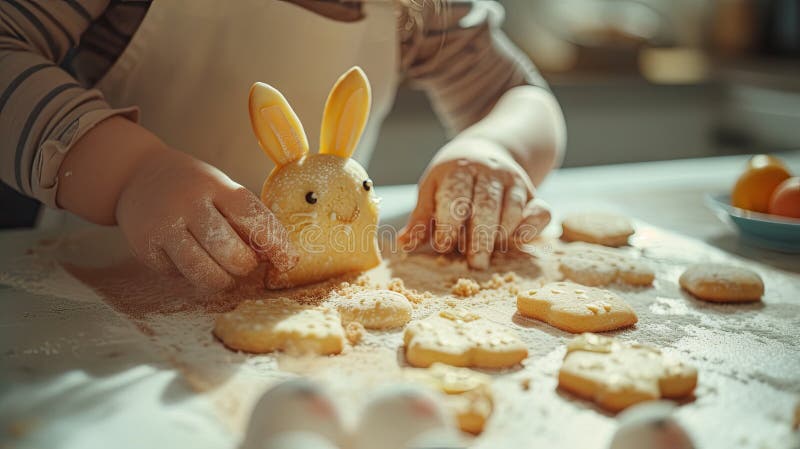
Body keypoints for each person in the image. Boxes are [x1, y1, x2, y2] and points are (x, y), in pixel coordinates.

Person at [0, 0, 565, 290]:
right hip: (94, 290)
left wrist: (497, 149)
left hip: (317, 303)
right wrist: (133, 174)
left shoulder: (418, 8)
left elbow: (518, 95)